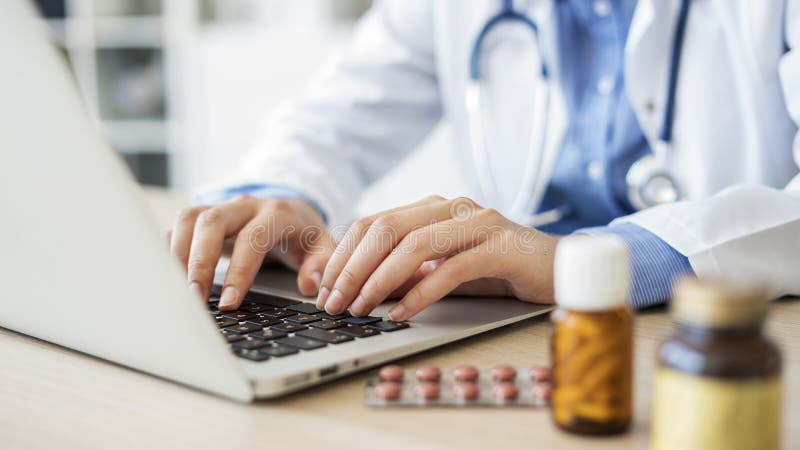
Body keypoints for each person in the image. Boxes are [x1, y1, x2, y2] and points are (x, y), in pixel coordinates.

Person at [168, 0, 800, 322]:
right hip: (517, 326)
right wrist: (282, 191)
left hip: (729, 333)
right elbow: (339, 114)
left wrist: (581, 263)